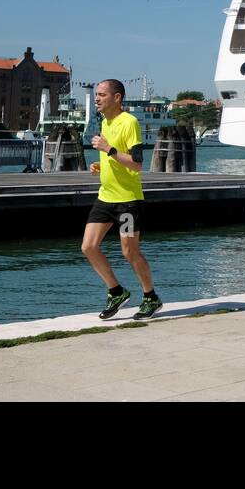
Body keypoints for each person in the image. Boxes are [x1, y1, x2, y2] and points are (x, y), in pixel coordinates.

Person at [81, 79, 162, 320]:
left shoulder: (130, 122)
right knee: (88, 247)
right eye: (96, 94)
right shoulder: (105, 122)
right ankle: (116, 291)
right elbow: (115, 157)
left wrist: (109, 151)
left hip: (127, 202)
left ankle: (150, 297)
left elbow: (137, 163)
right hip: (105, 198)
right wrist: (101, 164)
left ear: (117, 98)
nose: (97, 98)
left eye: (102, 94)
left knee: (129, 252)